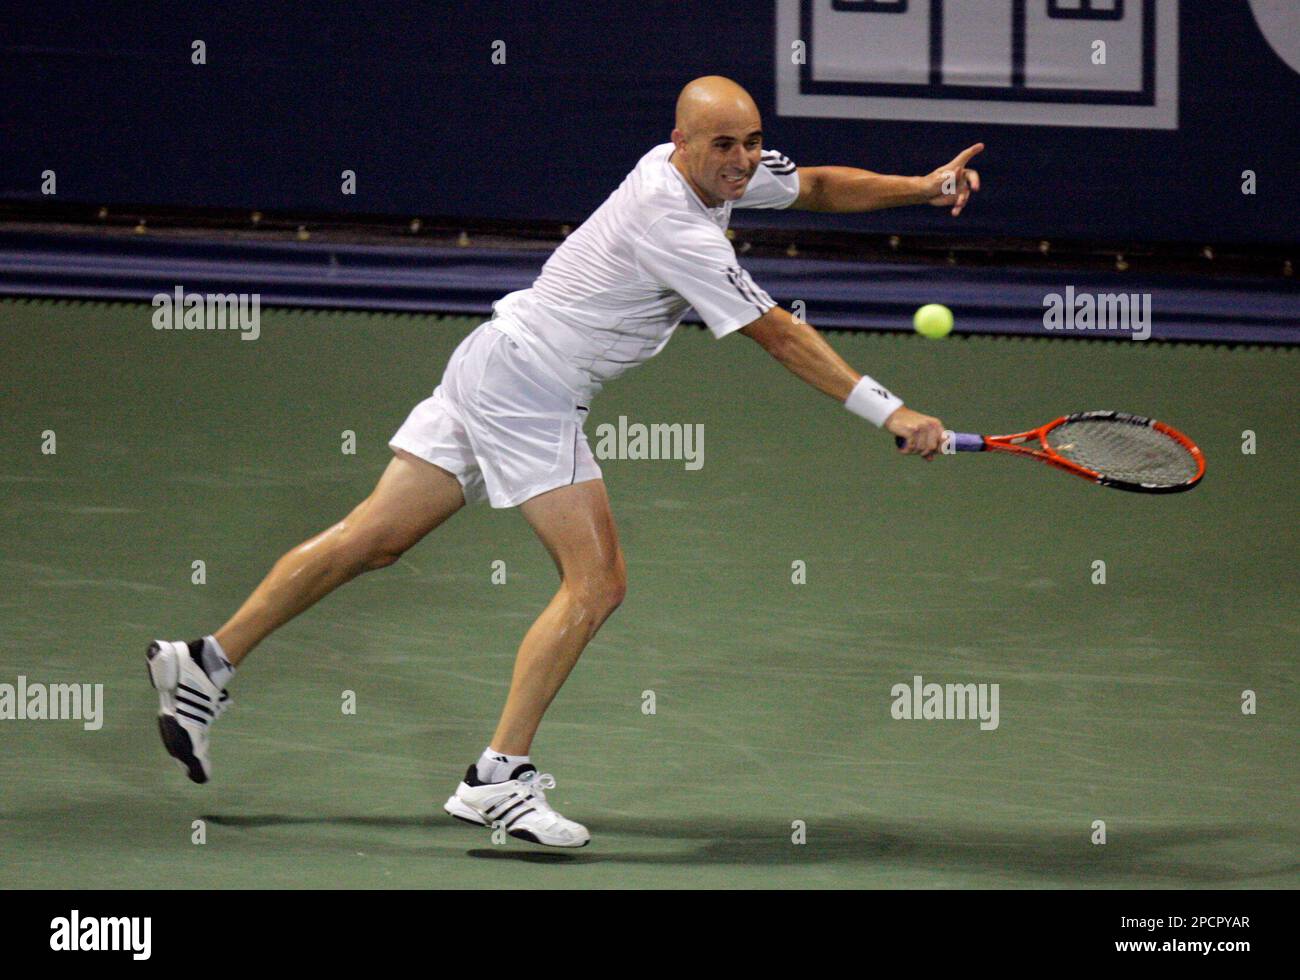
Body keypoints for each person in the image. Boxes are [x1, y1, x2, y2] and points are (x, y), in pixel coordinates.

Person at [146, 75, 981, 847]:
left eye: (752, 141)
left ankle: (206, 660)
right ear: (679, 142)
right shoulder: (674, 221)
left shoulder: (717, 172)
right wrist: (891, 410)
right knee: (598, 582)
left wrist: (923, 185)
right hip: (530, 386)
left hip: (495, 358)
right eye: (722, 145)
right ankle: (497, 777)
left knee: (374, 539)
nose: (743, 160)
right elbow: (780, 333)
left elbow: (818, 185)